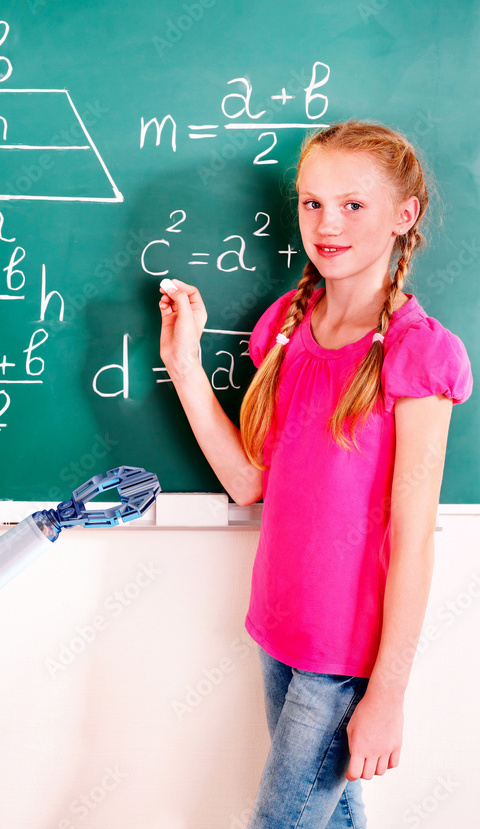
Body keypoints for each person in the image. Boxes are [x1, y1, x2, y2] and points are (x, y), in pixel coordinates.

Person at [157, 120, 472, 828]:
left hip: (343, 655)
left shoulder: (420, 355)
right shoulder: (287, 327)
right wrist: (184, 364)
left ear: (404, 214)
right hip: (279, 627)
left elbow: (413, 539)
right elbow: (249, 480)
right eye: (312, 203)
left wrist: (388, 693)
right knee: (331, 819)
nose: (327, 224)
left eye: (353, 205)